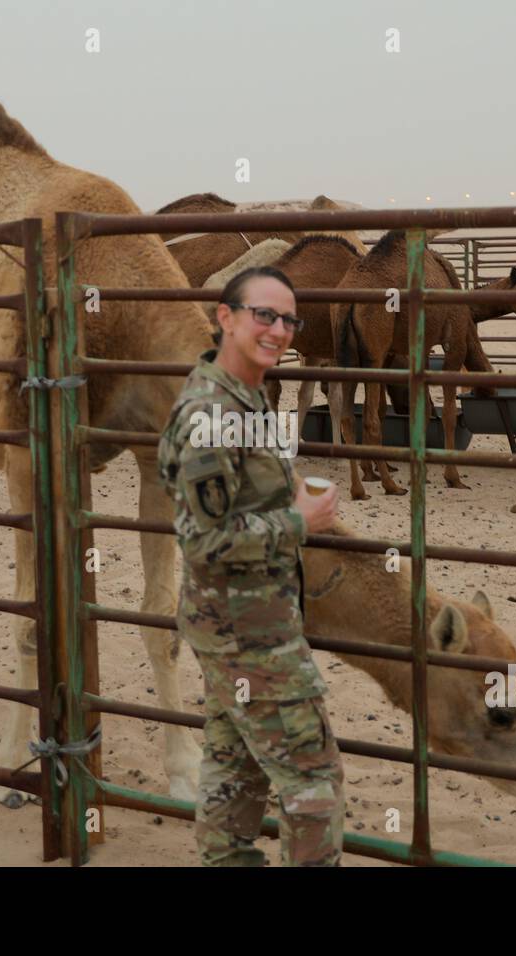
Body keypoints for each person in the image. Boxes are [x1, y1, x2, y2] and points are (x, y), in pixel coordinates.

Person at [157, 265, 344, 866]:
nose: (279, 329)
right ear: (226, 318)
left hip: (239, 624)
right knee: (313, 781)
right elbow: (204, 541)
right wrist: (299, 523)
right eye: (264, 314)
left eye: (290, 319)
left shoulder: (244, 400)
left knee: (233, 778)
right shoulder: (211, 414)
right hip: (248, 632)